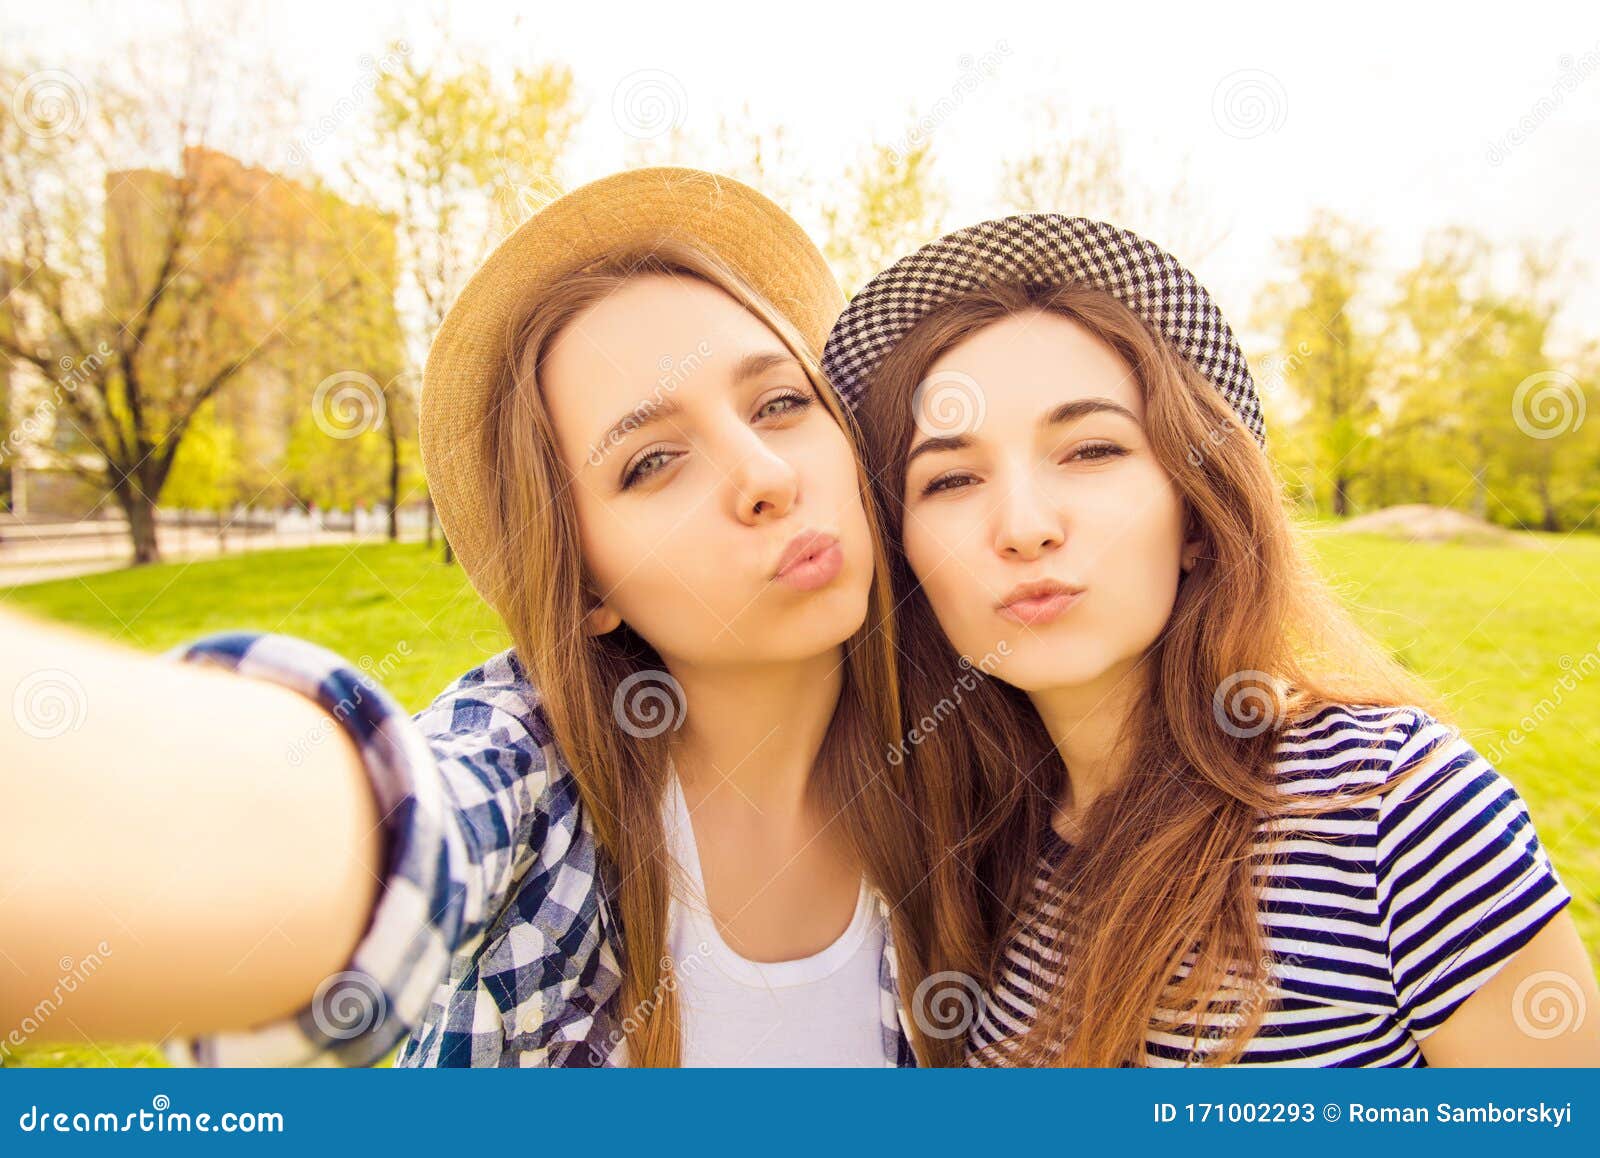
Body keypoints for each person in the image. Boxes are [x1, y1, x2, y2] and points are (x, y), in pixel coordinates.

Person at [0, 169, 963, 1068]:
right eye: (652, 462)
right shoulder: (529, 774)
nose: (765, 474)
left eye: (783, 402)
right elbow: (395, 823)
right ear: (585, 586)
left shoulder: (983, 751)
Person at [826, 213, 1600, 1067]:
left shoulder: (1393, 811)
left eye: (1089, 450)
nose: (1023, 526)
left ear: (1197, 514)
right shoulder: (950, 843)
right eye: (953, 477)